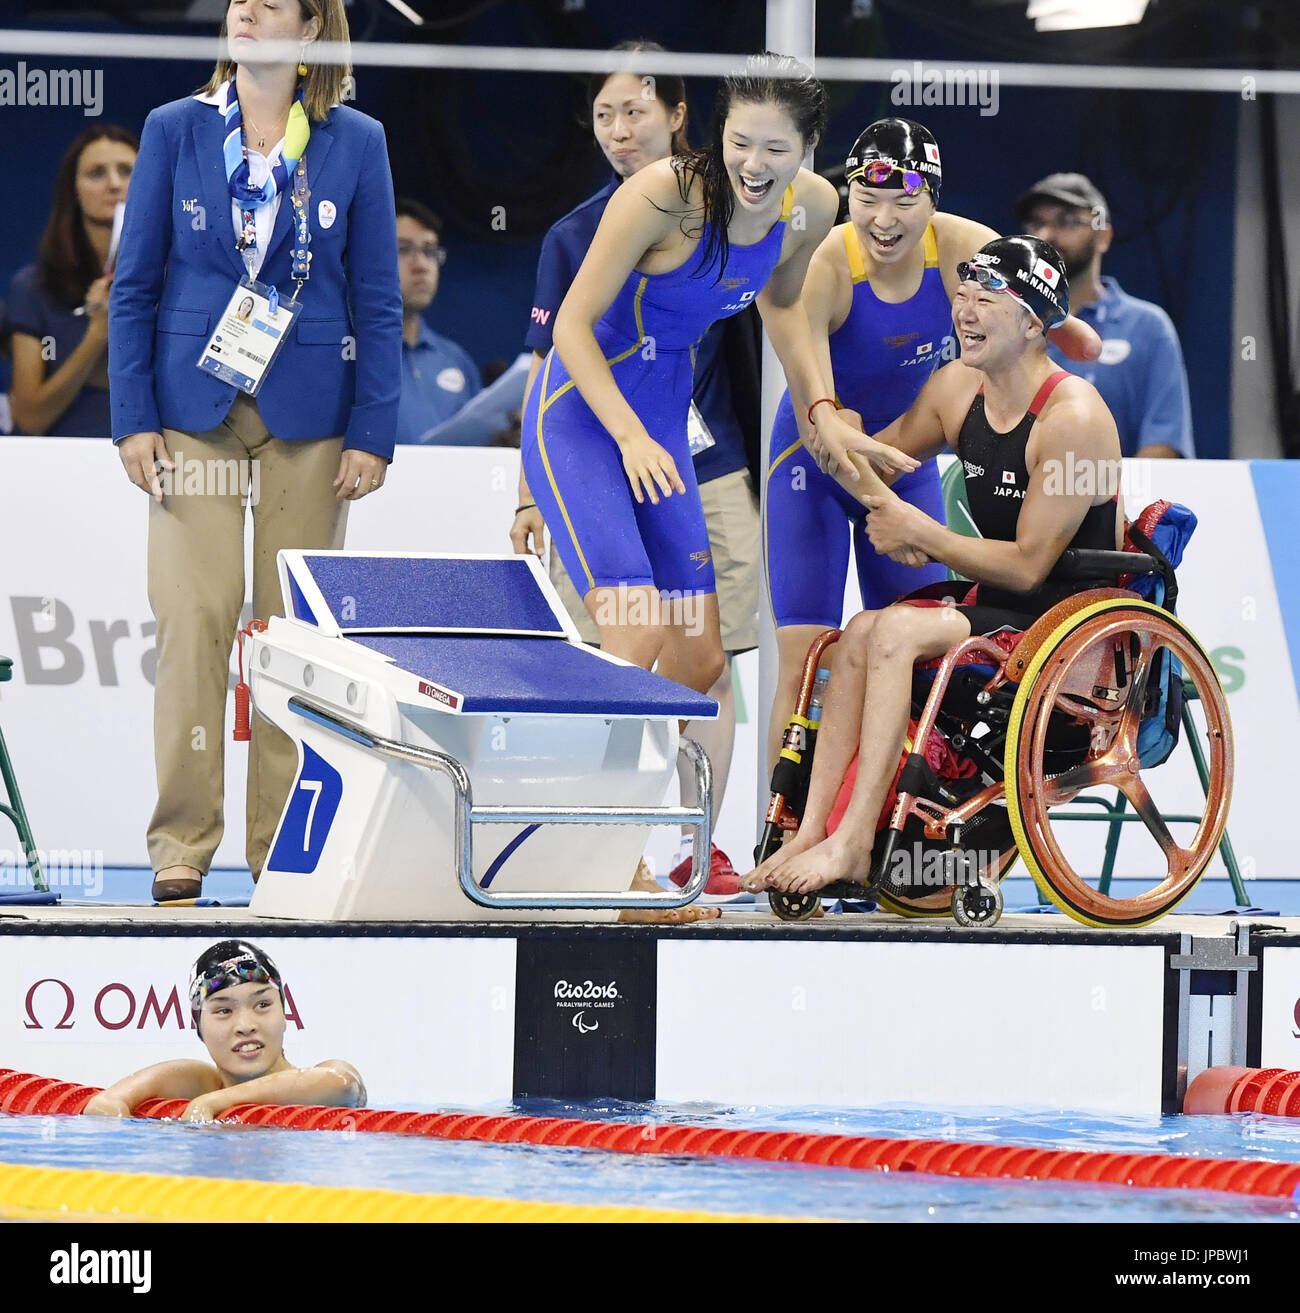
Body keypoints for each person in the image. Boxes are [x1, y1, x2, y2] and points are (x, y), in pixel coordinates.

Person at [110, 0, 401, 904]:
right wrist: (131, 417)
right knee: (195, 616)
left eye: (272, 1)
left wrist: (374, 428)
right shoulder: (174, 129)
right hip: (190, 404)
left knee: (291, 637)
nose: (247, 11)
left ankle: (282, 846)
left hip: (312, 414)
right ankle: (182, 843)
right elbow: (136, 281)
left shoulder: (356, 140)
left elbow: (379, 293)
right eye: (240, 0)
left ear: (311, 29)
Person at [747, 236, 1123, 896]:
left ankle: (857, 840)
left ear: (1035, 323)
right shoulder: (956, 390)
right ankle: (810, 832)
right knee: (862, 631)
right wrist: (843, 435)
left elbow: (1033, 568)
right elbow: (882, 457)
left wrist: (921, 531)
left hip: (1066, 624)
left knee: (895, 633)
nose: (965, 311)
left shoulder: (1072, 418)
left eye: (987, 300)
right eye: (962, 294)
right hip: (1003, 605)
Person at [764, 120, 1104, 777]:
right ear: (849, 194)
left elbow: (1061, 326)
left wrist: (1065, 328)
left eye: (905, 201)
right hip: (815, 463)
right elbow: (825, 424)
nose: (884, 220)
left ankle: (897, 826)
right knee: (808, 656)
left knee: (922, 659)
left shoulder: (964, 248)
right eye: (867, 199)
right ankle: (790, 823)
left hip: (905, 461)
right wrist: (884, 505)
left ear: (935, 201)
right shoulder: (827, 268)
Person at [512, 41, 766, 898]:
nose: (620, 130)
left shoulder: (743, 210)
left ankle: (696, 849)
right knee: (628, 637)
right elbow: (554, 352)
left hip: (690, 457)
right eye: (604, 115)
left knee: (702, 663)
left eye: (636, 111)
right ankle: (599, 862)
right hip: (598, 440)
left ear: (679, 115)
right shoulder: (578, 232)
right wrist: (529, 492)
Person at [1014, 172, 1193, 458]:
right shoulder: (1006, 320)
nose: (1046, 235)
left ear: (1104, 236)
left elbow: (1165, 443)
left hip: (1116, 497)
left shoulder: (1147, 326)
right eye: (1037, 223)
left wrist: (1109, 500)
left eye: (1067, 221)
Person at [84, 940, 364, 1122]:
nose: (245, 1026)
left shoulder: (325, 1077)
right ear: (199, 1027)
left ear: (285, 1012)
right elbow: (105, 1104)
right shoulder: (199, 1080)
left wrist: (215, 1102)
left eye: (263, 1004)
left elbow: (343, 1085)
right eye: (223, 1011)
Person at [7, 125, 138, 438]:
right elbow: (29, 418)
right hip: (64, 467)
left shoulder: (177, 281)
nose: (115, 184)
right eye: (96, 173)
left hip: (156, 467)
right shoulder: (33, 288)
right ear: (73, 189)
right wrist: (97, 333)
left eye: (127, 171)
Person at [393, 196, 482, 445]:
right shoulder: (346, 353)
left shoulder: (455, 359)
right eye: (403, 249)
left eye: (430, 252)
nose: (421, 265)